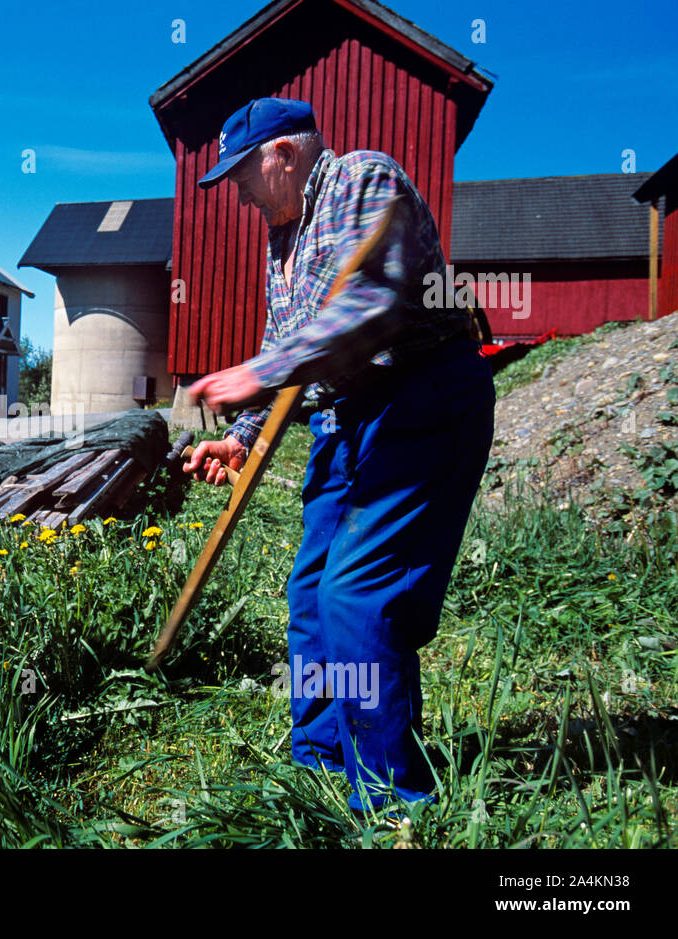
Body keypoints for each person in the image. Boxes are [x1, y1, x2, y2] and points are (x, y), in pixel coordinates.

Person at [182, 98, 495, 812]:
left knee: (357, 593)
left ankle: (389, 805)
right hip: (344, 416)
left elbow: (373, 305)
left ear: (283, 156)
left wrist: (258, 375)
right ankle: (322, 763)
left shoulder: (364, 179)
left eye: (242, 175)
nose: (239, 193)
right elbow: (284, 349)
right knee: (311, 597)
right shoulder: (282, 241)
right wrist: (241, 432)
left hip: (422, 393)